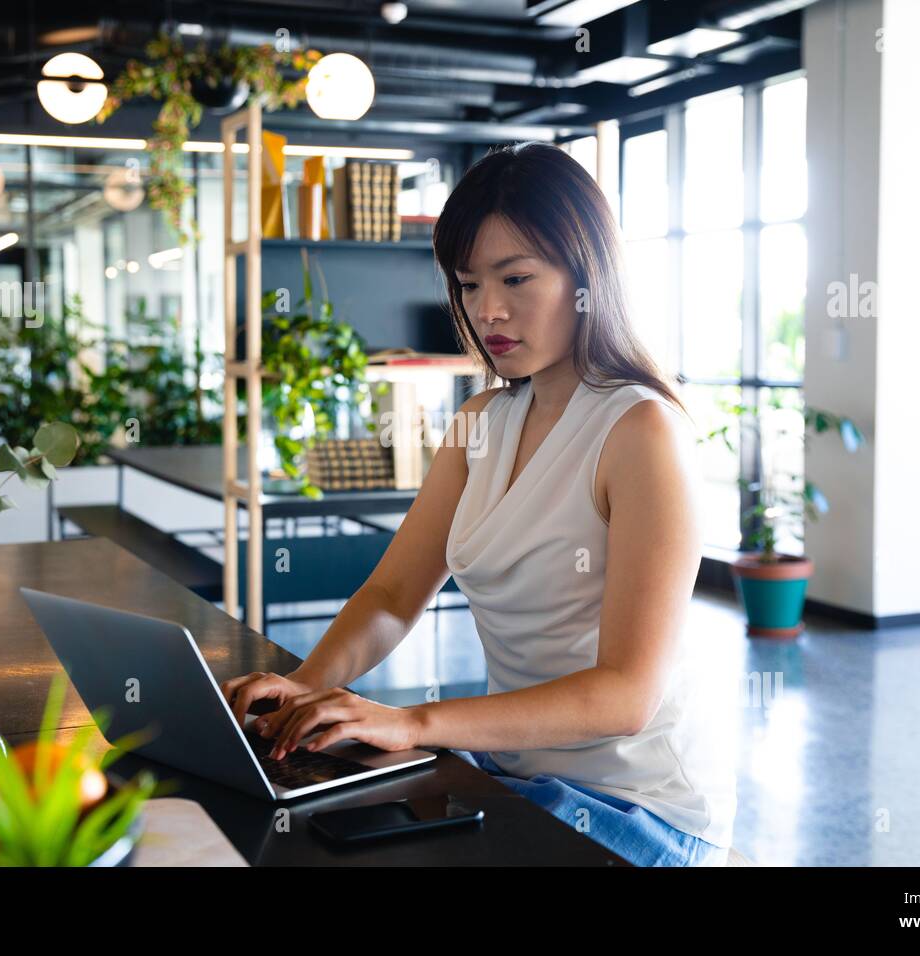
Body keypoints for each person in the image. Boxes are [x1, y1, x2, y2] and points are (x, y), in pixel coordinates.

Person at [221, 142, 735, 866]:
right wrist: (305, 689)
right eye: (468, 284)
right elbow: (395, 594)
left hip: (635, 807)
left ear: (589, 275)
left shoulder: (640, 431)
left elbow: (626, 695)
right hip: (516, 771)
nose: (487, 309)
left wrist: (417, 722)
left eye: (516, 278)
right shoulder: (480, 421)